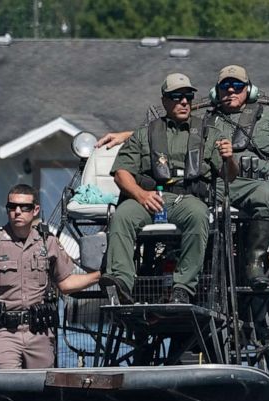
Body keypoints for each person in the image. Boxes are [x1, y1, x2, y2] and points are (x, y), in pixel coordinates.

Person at [96, 65, 269, 290]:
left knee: (264, 194)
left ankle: (253, 264)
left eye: (237, 86)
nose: (231, 91)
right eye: (225, 87)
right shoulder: (208, 120)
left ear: (249, 90)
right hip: (217, 183)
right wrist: (129, 135)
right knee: (191, 199)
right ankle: (149, 275)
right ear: (217, 92)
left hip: (251, 184)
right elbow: (170, 130)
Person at [99, 72, 236, 305]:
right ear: (164, 100)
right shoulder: (144, 134)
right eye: (176, 96)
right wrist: (140, 195)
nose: (184, 102)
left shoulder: (208, 133)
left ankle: (182, 288)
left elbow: (228, 175)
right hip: (149, 198)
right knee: (122, 215)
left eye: (188, 97)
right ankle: (121, 282)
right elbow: (122, 174)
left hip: (187, 199)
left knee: (198, 214)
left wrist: (229, 159)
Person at [0, 184, 100, 369]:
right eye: (12, 207)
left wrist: (100, 276)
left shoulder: (48, 242)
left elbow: (66, 283)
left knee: (42, 390)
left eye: (24, 207)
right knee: (7, 387)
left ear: (35, 210)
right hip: (3, 334)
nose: (17, 212)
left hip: (40, 334)